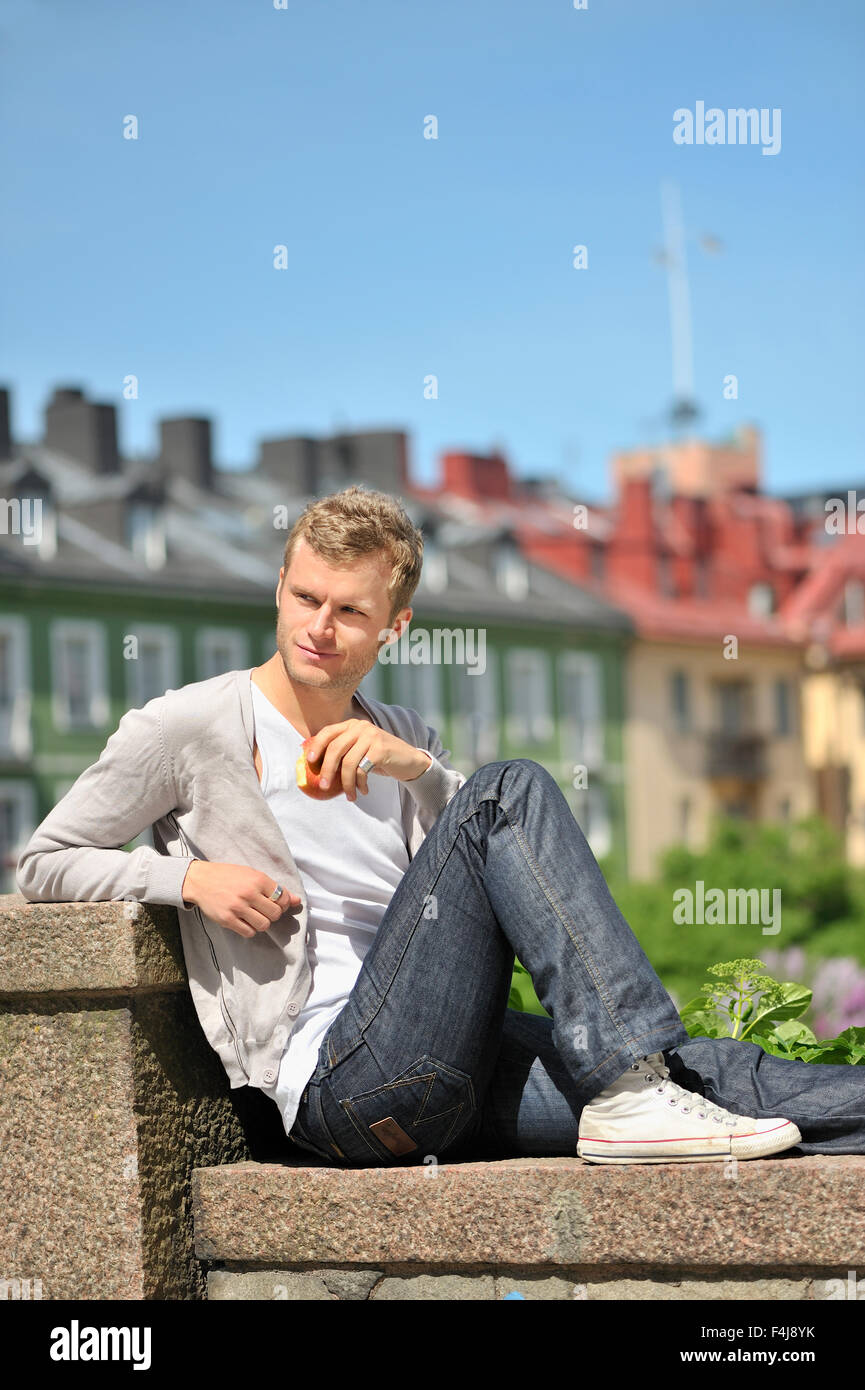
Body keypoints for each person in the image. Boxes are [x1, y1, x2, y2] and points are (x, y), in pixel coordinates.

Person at [16, 487, 865, 1168]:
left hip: (447, 1061)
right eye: (305, 598)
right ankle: (632, 1093)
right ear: (279, 588)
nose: (318, 628)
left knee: (702, 1074)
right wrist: (187, 879)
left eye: (350, 612)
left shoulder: (402, 737)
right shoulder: (190, 726)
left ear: (395, 627)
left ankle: (641, 1091)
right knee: (507, 789)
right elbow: (45, 861)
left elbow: (472, 903)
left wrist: (416, 769)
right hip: (341, 1085)